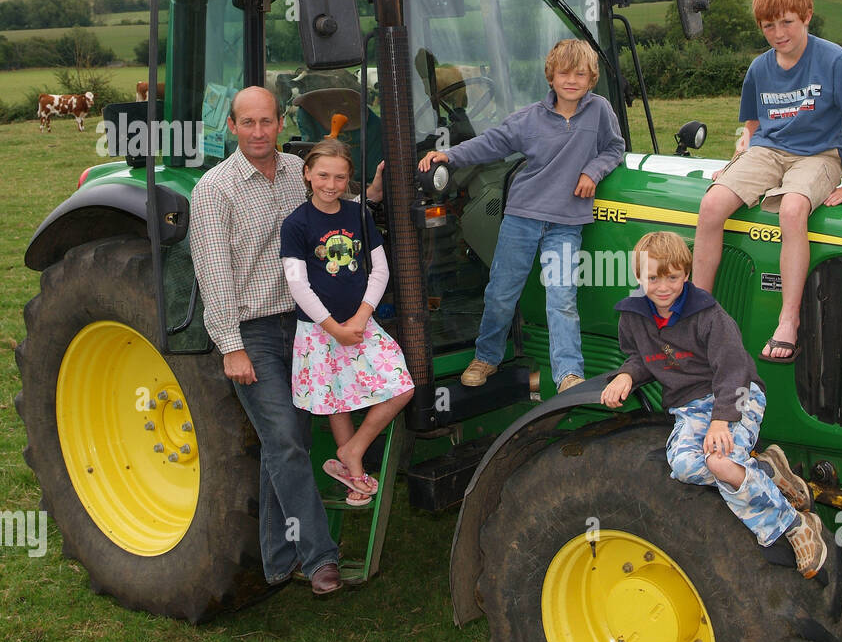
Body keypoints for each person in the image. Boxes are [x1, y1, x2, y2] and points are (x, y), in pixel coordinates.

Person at [190, 85, 381, 597]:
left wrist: (370, 200)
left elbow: (328, 206)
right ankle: (321, 558)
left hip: (301, 325)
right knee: (286, 442)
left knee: (286, 444)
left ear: (280, 124)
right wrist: (231, 345)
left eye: (267, 122)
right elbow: (215, 274)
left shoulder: (298, 176)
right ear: (232, 127)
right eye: (247, 123)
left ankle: (277, 561)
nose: (258, 132)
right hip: (252, 332)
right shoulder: (215, 190)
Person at [601, 231, 827, 578]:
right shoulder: (633, 317)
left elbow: (733, 369)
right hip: (690, 407)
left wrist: (722, 420)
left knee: (720, 464)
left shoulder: (708, 315)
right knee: (684, 466)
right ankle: (765, 472)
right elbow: (641, 357)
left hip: (735, 396)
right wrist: (627, 376)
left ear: (686, 275)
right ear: (639, 278)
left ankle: (796, 526)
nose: (663, 287)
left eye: (672, 277)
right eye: (652, 278)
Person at [418, 38, 624, 393]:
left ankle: (568, 375)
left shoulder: (600, 111)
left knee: (561, 298)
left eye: (580, 74)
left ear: (591, 79)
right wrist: (448, 157)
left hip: (566, 223)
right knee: (501, 292)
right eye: (564, 73)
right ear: (551, 76)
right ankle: (487, 357)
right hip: (522, 217)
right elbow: (491, 143)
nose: (571, 80)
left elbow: (615, 147)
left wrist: (593, 170)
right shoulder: (530, 118)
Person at [693, 0, 842, 363]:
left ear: (806, 16)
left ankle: (788, 320)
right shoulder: (759, 69)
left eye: (786, 22)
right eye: (768, 25)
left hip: (819, 155)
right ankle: (698, 312)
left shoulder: (834, 60)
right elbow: (753, 128)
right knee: (710, 206)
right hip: (769, 151)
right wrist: (736, 164)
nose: (778, 33)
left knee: (792, 210)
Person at [280, 139, 414, 503]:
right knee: (335, 398)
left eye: (340, 178)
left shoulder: (358, 215)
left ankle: (353, 448)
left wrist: (360, 317)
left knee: (401, 385)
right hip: (319, 329)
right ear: (307, 174)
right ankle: (355, 476)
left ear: (349, 180)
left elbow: (380, 268)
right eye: (322, 175)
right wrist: (333, 328)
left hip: (359, 323)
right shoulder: (296, 224)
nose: (330, 184)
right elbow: (297, 283)